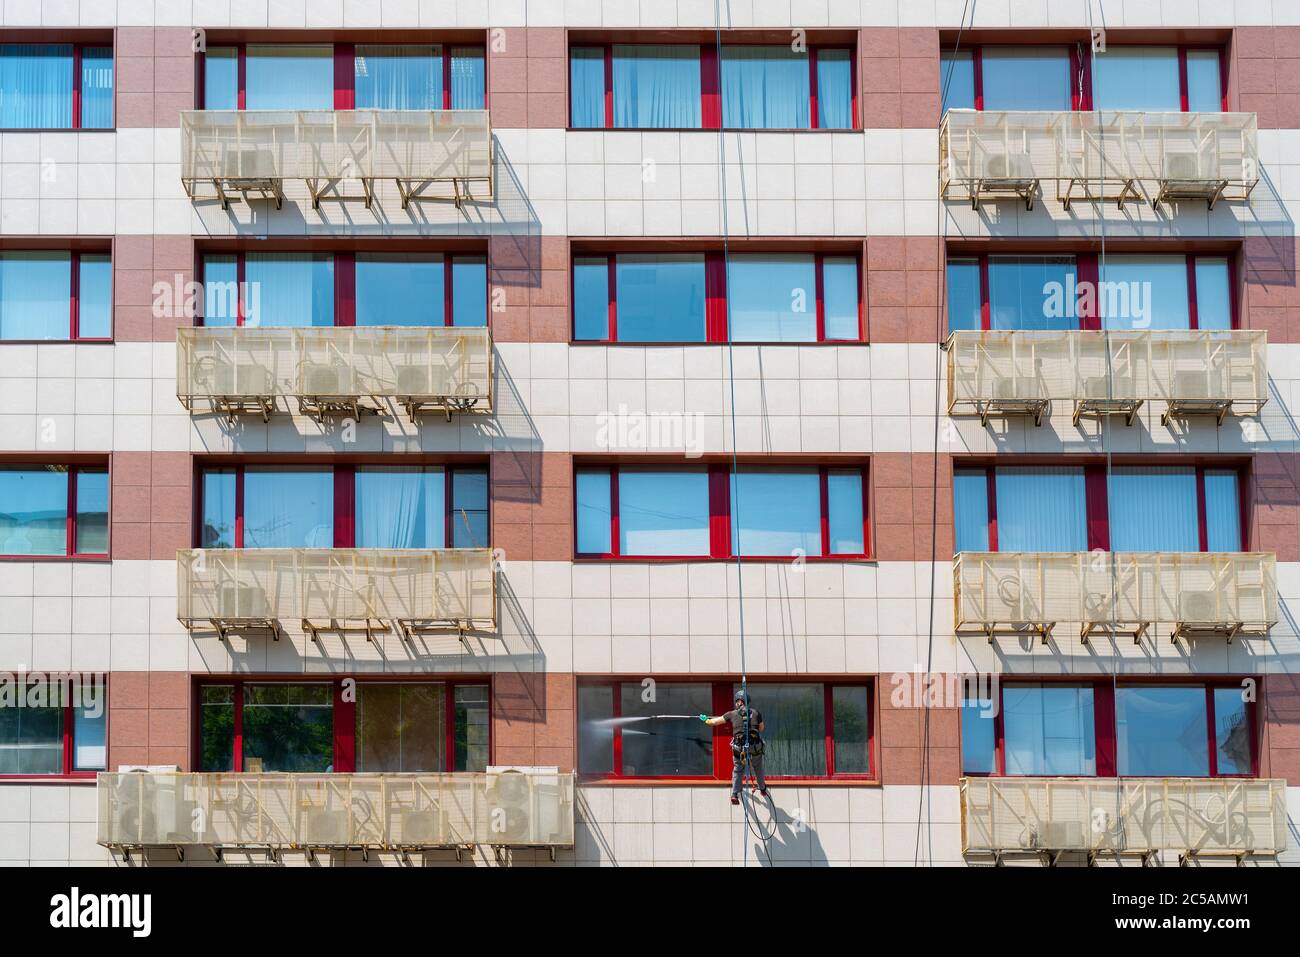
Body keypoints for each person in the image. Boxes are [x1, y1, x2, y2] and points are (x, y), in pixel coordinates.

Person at [700, 690, 767, 805]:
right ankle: (763, 789)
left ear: (737, 702)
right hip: (755, 747)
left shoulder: (732, 714)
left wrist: (706, 720)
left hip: (739, 748)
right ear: (747, 702)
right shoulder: (756, 713)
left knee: (738, 769)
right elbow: (761, 729)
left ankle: (735, 794)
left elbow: (713, 722)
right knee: (758, 768)